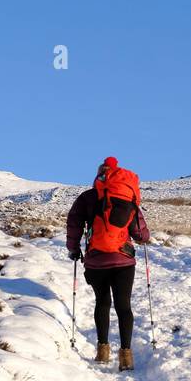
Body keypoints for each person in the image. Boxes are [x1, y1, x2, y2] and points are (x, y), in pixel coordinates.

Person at [65, 156, 150, 370]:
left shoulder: (87, 198)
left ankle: (102, 351)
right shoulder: (127, 198)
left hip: (96, 261)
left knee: (102, 303)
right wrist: (141, 238)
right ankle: (126, 356)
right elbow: (140, 232)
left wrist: (73, 249)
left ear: (98, 175)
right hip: (123, 260)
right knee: (124, 306)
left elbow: (74, 224)